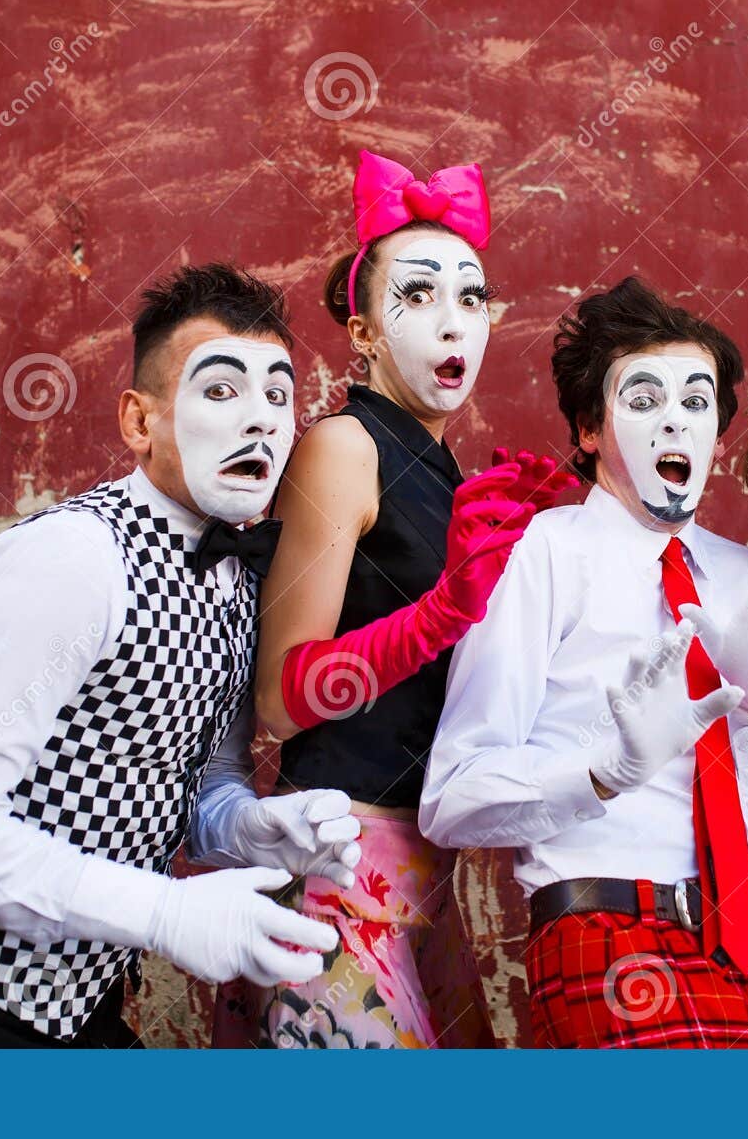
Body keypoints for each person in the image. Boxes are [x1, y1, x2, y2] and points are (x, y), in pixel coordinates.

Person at [0, 264, 355, 1048]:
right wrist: (162, 910)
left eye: (278, 395)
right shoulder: (72, 559)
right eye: (222, 390)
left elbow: (190, 783)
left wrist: (253, 827)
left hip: (83, 1018)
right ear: (139, 421)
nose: (260, 420)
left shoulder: (239, 576)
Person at [422, 277, 748, 1049]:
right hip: (613, 934)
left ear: (717, 439)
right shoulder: (541, 554)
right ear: (588, 428)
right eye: (644, 399)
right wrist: (607, 769)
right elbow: (452, 799)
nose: (674, 418)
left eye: (696, 402)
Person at [239, 149, 575, 1049]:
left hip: (431, 883)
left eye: (471, 297)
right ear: (363, 332)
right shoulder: (345, 446)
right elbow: (279, 698)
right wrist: (445, 611)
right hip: (338, 867)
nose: (452, 320)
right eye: (417, 296)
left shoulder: (443, 468)